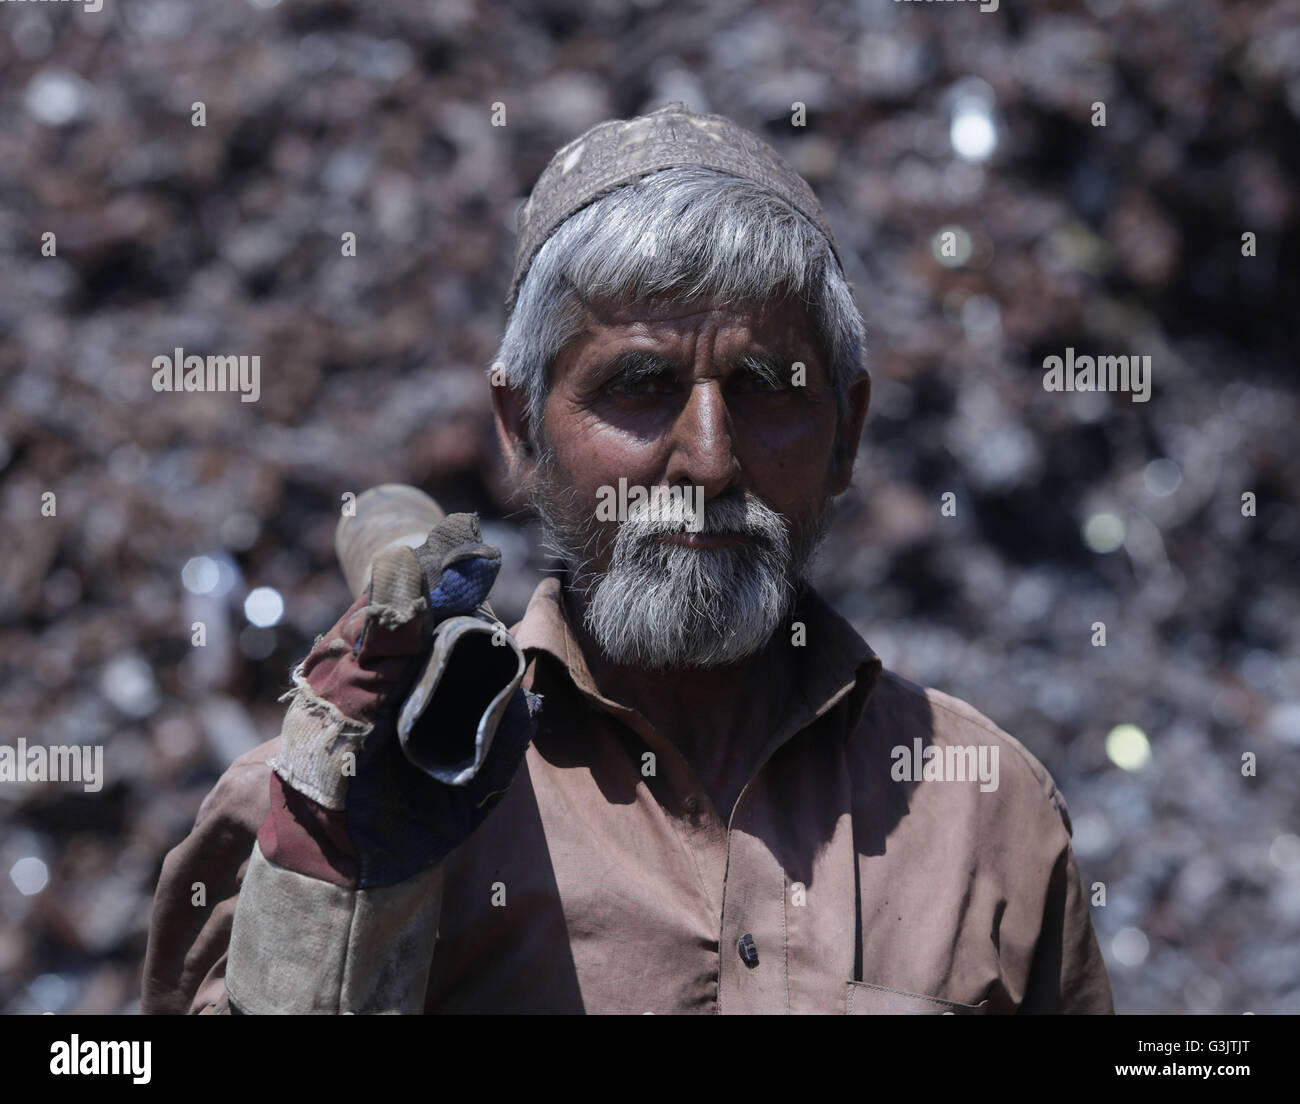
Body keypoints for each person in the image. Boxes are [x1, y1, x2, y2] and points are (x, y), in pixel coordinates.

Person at [141, 102, 1113, 1015]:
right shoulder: (360, 794)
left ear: (846, 432)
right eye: (639, 385)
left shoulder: (987, 810)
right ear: (519, 429)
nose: (708, 458)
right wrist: (327, 903)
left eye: (767, 385)